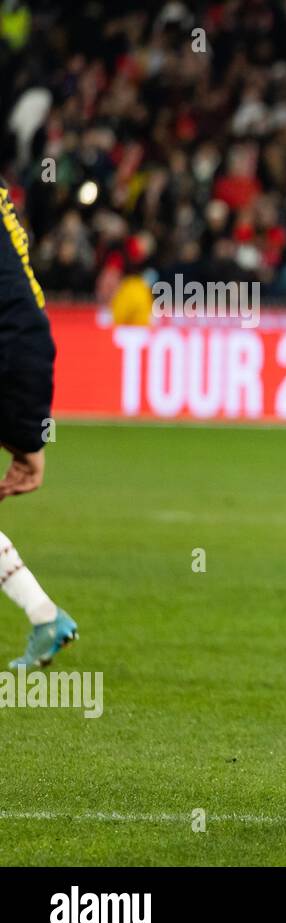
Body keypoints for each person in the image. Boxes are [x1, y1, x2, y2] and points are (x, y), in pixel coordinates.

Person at [0, 177, 78, 670]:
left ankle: (44, 614)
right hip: (24, 353)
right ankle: (44, 614)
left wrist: (28, 433)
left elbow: (18, 316)